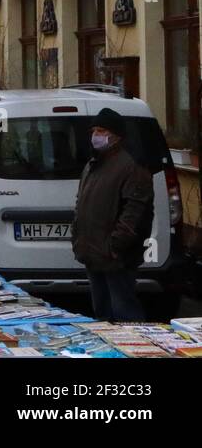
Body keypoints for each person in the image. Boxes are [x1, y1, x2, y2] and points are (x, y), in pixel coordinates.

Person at [73, 108, 154, 322]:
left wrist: (115, 245)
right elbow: (81, 202)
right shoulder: (94, 163)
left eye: (101, 131)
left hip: (116, 256)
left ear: (115, 135)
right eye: (94, 131)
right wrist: (78, 237)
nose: (95, 136)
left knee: (124, 312)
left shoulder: (131, 166)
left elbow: (134, 213)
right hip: (93, 252)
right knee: (102, 313)